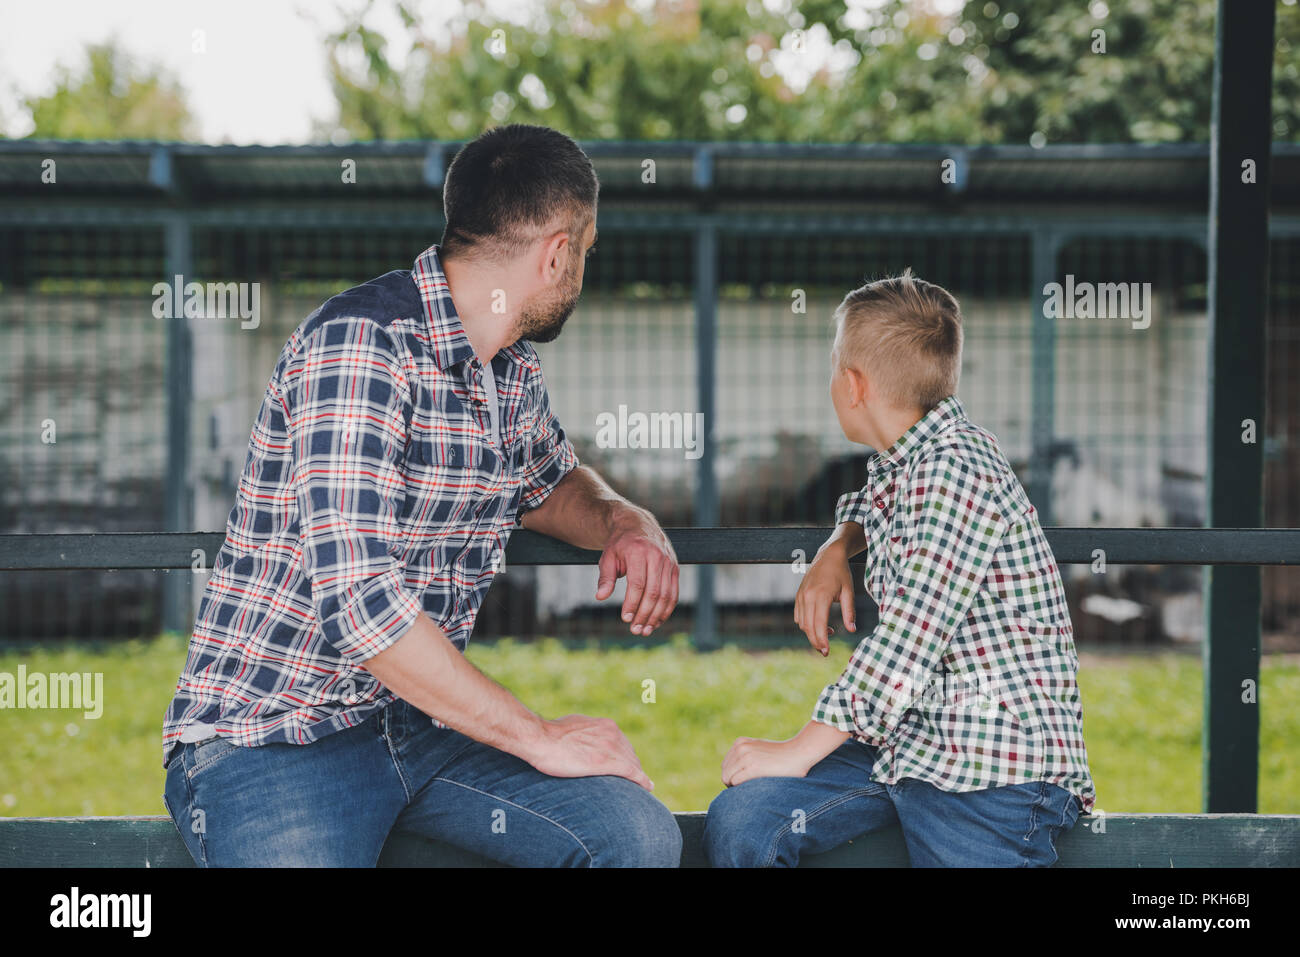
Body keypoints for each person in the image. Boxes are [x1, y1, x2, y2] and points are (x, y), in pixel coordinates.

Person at [162, 123, 683, 867]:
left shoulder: (510, 368)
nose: (581, 270)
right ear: (558, 252)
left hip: (417, 726)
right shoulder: (360, 346)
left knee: (633, 835)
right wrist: (539, 734)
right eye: (586, 252)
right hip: (271, 738)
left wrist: (619, 518)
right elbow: (364, 610)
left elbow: (547, 481)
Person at [703, 269, 1096, 867]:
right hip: (908, 743)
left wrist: (800, 748)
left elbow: (910, 642)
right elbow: (873, 500)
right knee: (746, 820)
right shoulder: (907, 461)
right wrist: (839, 546)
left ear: (853, 385)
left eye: (833, 365)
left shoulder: (959, 470)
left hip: (991, 768)